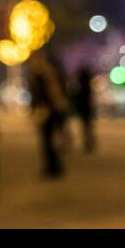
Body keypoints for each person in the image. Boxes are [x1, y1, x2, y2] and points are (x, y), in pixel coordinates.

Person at [26, 50, 70, 178]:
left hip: (47, 110)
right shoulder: (51, 71)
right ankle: (55, 166)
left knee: (47, 140)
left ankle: (52, 167)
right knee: (52, 139)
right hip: (55, 109)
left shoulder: (41, 73)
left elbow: (40, 94)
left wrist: (36, 108)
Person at [73, 67, 96, 154]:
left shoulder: (80, 87)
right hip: (88, 109)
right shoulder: (88, 86)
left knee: (85, 127)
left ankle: (88, 143)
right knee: (88, 127)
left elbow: (76, 97)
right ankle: (89, 143)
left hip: (83, 109)